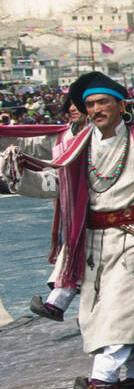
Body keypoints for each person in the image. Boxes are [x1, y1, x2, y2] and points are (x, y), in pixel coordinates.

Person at [1, 72, 134, 389]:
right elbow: (57, 185)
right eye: (90, 104)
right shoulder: (77, 145)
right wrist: (18, 174)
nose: (96, 109)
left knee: (121, 307)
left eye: (103, 102)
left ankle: (102, 376)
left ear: (121, 105)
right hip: (92, 241)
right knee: (95, 310)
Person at [0, 92, 88, 321]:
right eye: (69, 105)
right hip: (77, 209)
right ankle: (60, 306)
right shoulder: (62, 136)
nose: (72, 109)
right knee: (76, 256)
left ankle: (60, 305)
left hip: (107, 209)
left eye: (77, 105)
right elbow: (29, 144)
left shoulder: (107, 136)